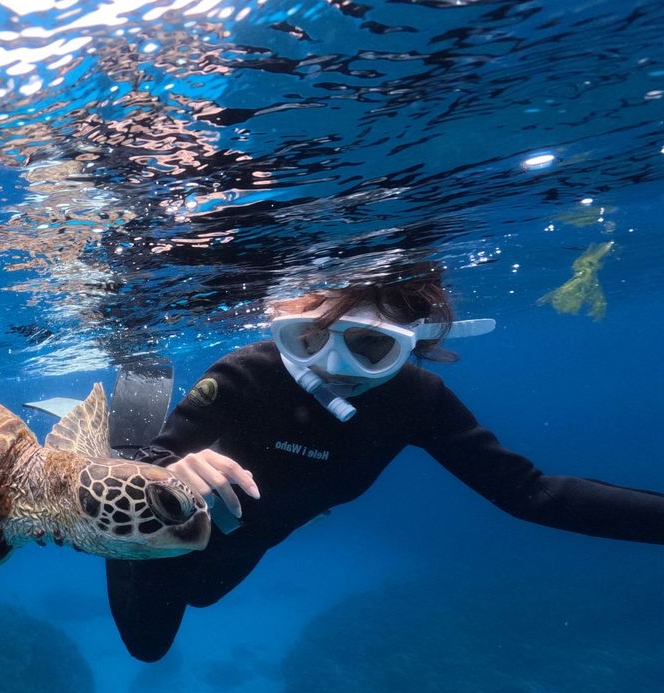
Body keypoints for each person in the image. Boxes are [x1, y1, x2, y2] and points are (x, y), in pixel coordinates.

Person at [106, 263, 664, 662]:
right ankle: (124, 435)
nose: (332, 367)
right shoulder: (249, 372)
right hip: (166, 530)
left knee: (203, 595)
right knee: (149, 648)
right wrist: (163, 472)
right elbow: (161, 459)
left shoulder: (417, 400)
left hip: (254, 533)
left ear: (410, 344)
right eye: (309, 339)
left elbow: (532, 494)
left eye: (370, 348)